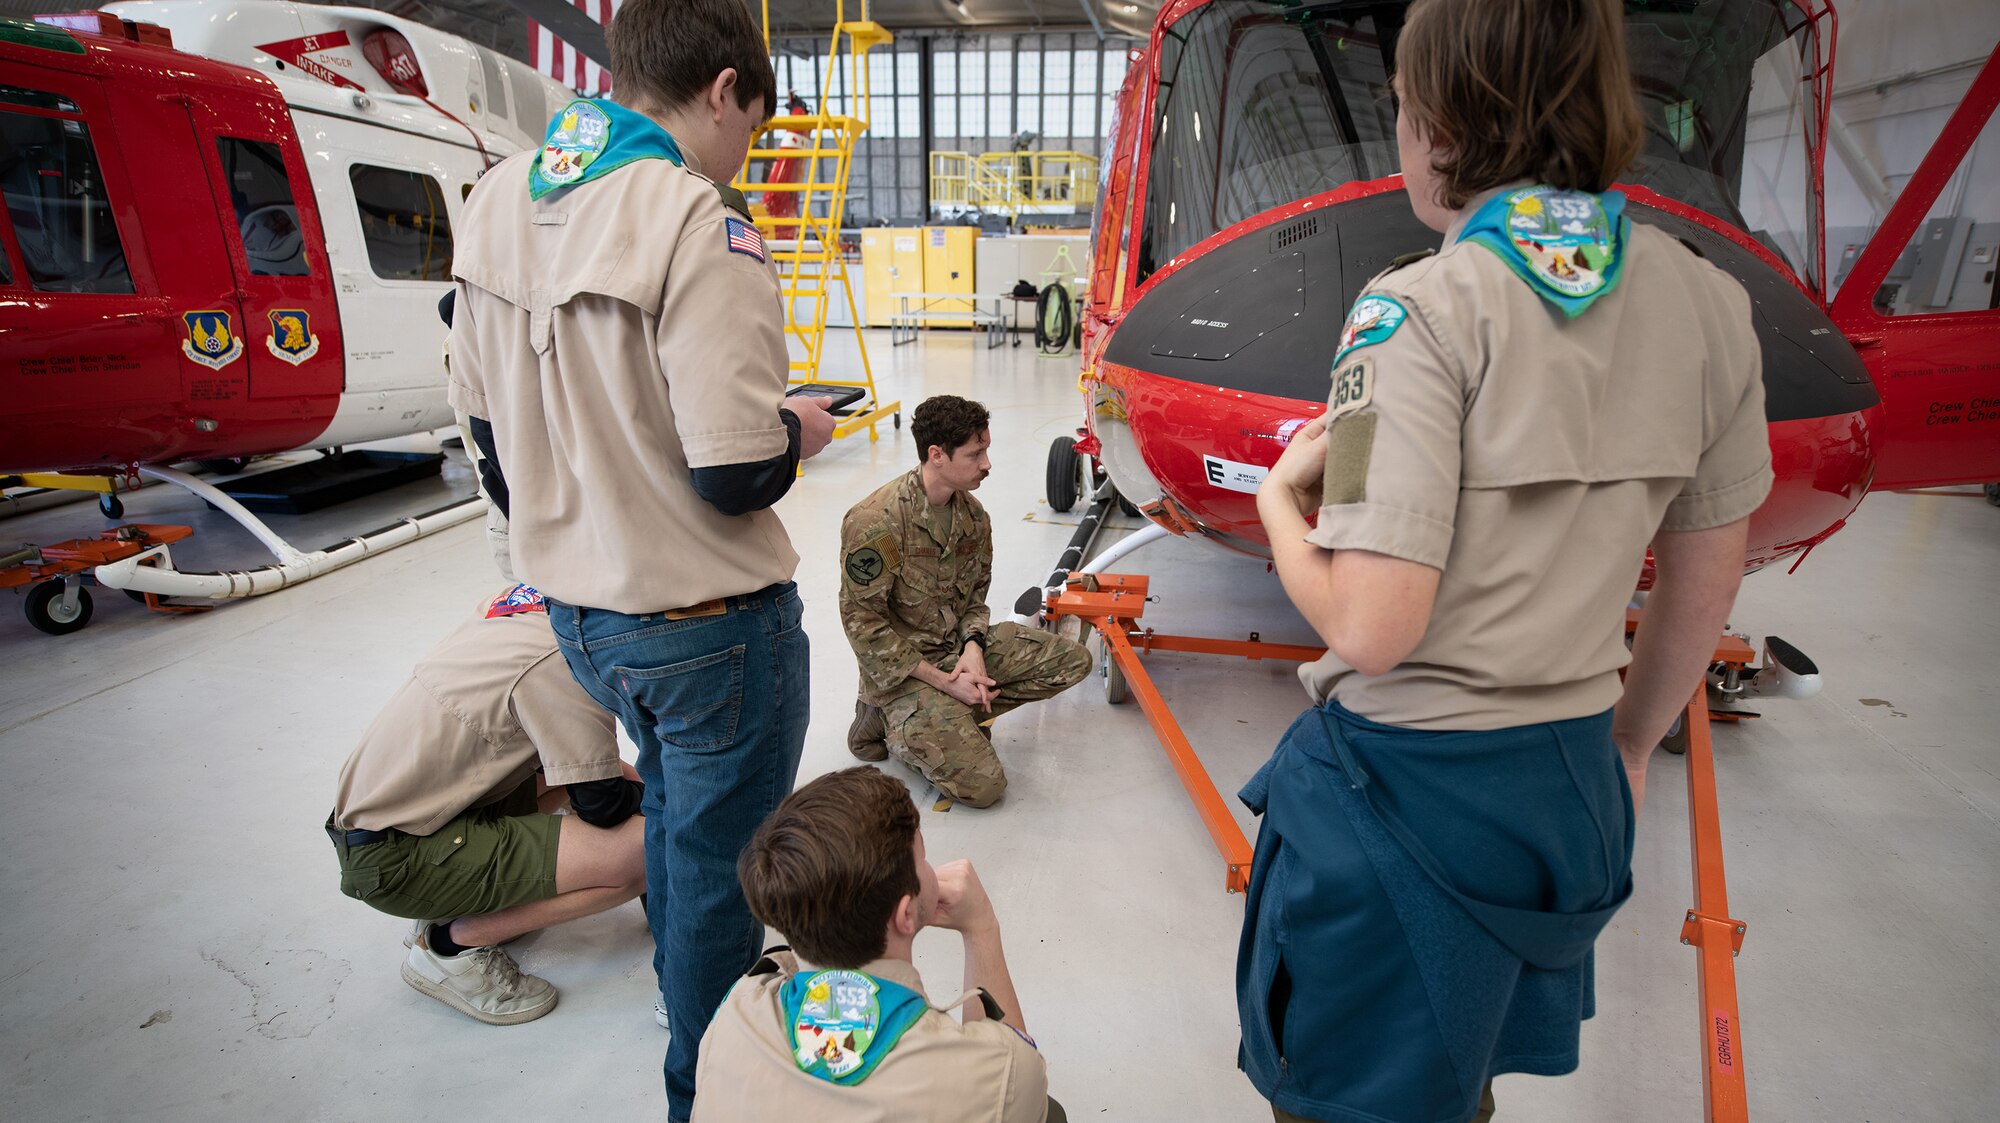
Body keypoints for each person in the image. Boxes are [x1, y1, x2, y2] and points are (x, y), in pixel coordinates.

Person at [1236, 1, 1772, 1121]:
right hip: (1563, 789)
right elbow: (1703, 579)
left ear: (1439, 121)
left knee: (1346, 1092)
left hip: (1409, 803)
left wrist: (1283, 503)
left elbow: (1370, 626)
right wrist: (1627, 743)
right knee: (1457, 1071)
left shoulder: (1413, 315)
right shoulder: (1713, 307)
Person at [444, 0, 838, 1115]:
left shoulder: (494, 199)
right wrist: (800, 427)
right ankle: (704, 1089)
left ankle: (684, 994)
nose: (743, 153)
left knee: (674, 821)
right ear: (724, 90)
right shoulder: (694, 219)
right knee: (722, 870)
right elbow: (733, 473)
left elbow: (486, 439)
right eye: (751, 129)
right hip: (707, 622)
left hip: (581, 617)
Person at [329, 584, 646, 1026]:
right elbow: (602, 805)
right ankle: (452, 945)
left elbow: (598, 773)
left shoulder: (525, 603)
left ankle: (456, 899)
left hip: (403, 815)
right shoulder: (562, 660)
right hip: (396, 858)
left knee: (612, 777)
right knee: (644, 849)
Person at [693, 766, 1063, 1123]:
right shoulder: (994, 1071)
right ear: (904, 914)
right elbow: (1020, 1078)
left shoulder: (734, 1011)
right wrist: (982, 927)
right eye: (923, 858)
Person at [839, 396, 1091, 808]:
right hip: (903, 675)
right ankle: (884, 719)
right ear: (936, 455)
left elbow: (974, 599)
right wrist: (943, 683)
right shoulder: (876, 522)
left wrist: (973, 650)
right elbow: (861, 624)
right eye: (976, 453)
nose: (987, 463)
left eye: (986, 449)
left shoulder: (973, 518)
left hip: (954, 651)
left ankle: (949, 719)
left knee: (1071, 661)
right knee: (985, 788)